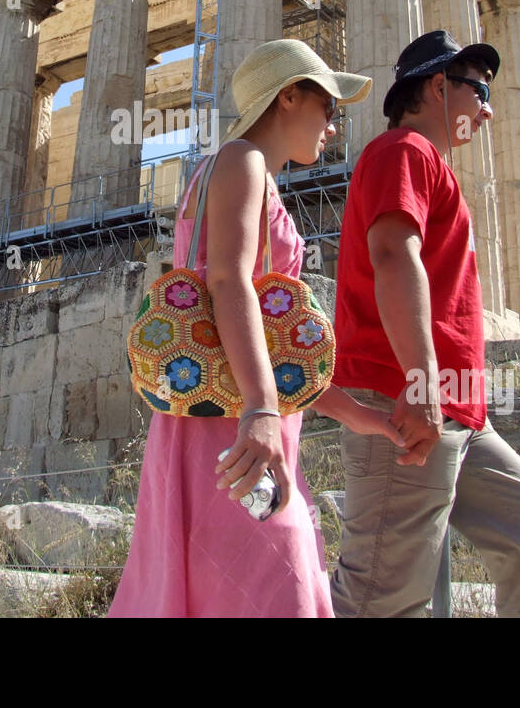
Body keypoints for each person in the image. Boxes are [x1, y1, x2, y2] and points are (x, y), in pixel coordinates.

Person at [109, 38, 403, 618]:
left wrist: (371, 421)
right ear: (289, 96)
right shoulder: (242, 160)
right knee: (275, 587)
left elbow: (277, 349)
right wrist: (262, 409)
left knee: (247, 588)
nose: (333, 127)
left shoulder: (247, 172)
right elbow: (227, 282)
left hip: (230, 416)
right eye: (328, 108)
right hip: (235, 427)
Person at [330, 29, 520, 618]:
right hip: (406, 399)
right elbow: (394, 257)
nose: (489, 108)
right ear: (437, 86)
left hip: (460, 410)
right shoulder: (404, 152)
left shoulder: (434, 169)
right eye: (479, 90)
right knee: (381, 598)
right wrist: (422, 385)